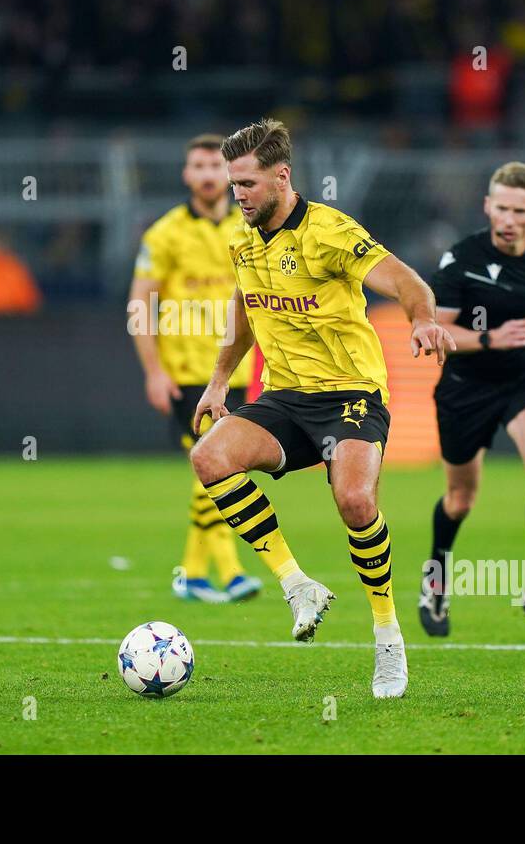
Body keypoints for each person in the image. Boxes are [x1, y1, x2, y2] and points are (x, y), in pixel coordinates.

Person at [189, 119, 453, 698]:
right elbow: (245, 308)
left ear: (282, 177)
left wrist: (425, 319)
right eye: (234, 184)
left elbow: (408, 283)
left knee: (355, 500)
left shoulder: (332, 233)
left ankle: (387, 635)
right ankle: (296, 585)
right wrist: (217, 382)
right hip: (285, 398)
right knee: (209, 458)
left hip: (352, 394)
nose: (238, 195)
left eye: (248, 184)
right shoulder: (242, 237)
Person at [420, 162, 525, 637]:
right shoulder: (460, 260)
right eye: (501, 208)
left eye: (519, 210)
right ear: (487, 206)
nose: (508, 219)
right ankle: (435, 584)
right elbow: (438, 333)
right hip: (465, 387)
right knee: (460, 499)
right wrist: (490, 338)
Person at [128, 134, 261, 604]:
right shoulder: (163, 234)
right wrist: (153, 371)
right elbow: (140, 304)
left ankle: (194, 573)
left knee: (218, 468)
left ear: (227, 174)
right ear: (186, 175)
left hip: (235, 371)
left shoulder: (248, 230)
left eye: (214, 166)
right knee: (214, 468)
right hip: (186, 372)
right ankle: (226, 570)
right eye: (198, 166)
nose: (207, 175)